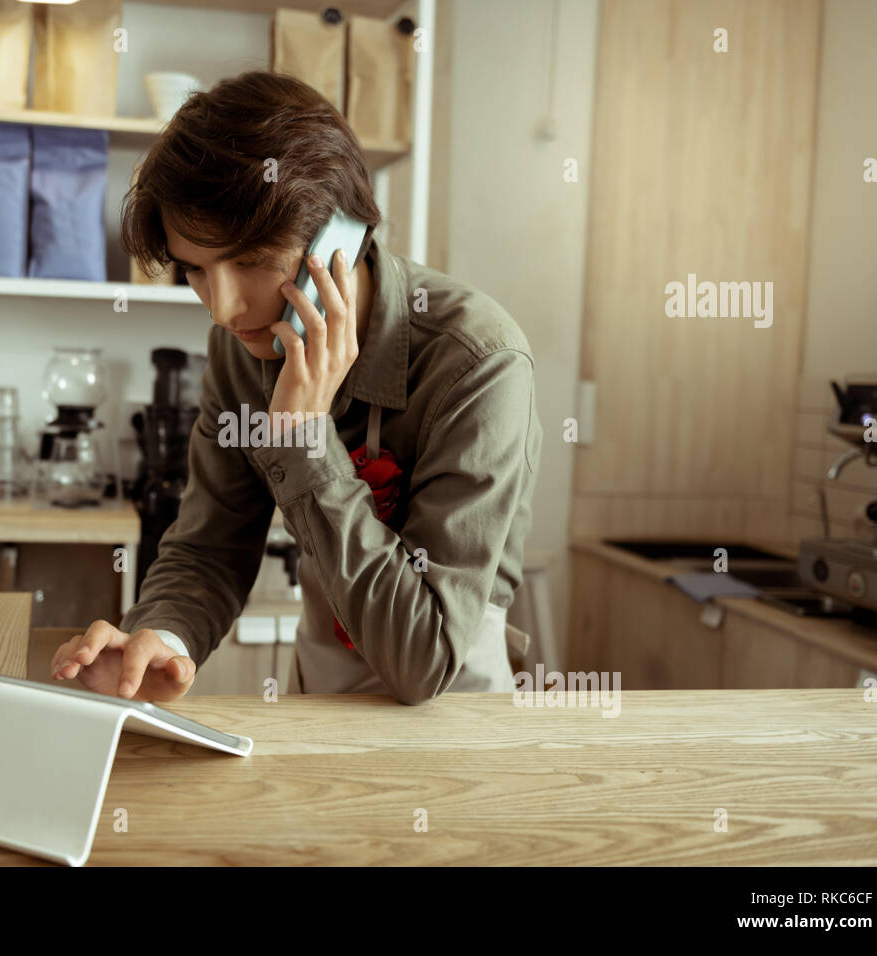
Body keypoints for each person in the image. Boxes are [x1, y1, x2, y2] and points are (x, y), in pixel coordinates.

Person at [51, 71, 541, 705]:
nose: (222, 309)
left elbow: (422, 657)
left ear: (343, 236)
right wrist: (160, 639)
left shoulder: (479, 363)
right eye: (196, 270)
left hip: (455, 714)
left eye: (252, 262)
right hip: (321, 701)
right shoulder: (244, 347)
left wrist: (303, 437)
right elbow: (209, 545)